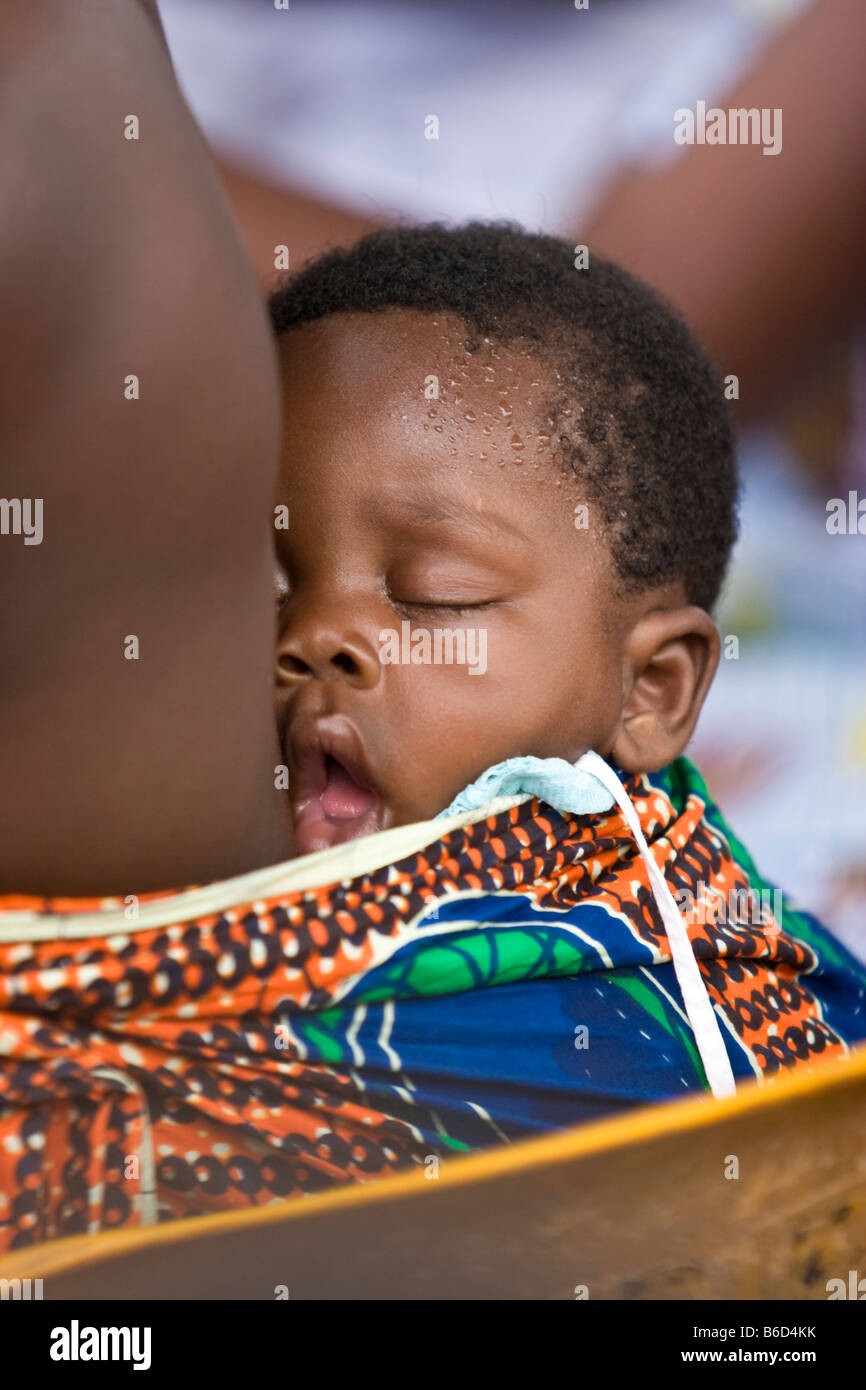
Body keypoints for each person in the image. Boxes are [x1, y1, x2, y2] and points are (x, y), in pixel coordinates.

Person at [1, 7, 864, 1251]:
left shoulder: (668, 1005)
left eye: (434, 601)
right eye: (274, 571)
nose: (315, 641)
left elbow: (604, 398)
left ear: (655, 694)